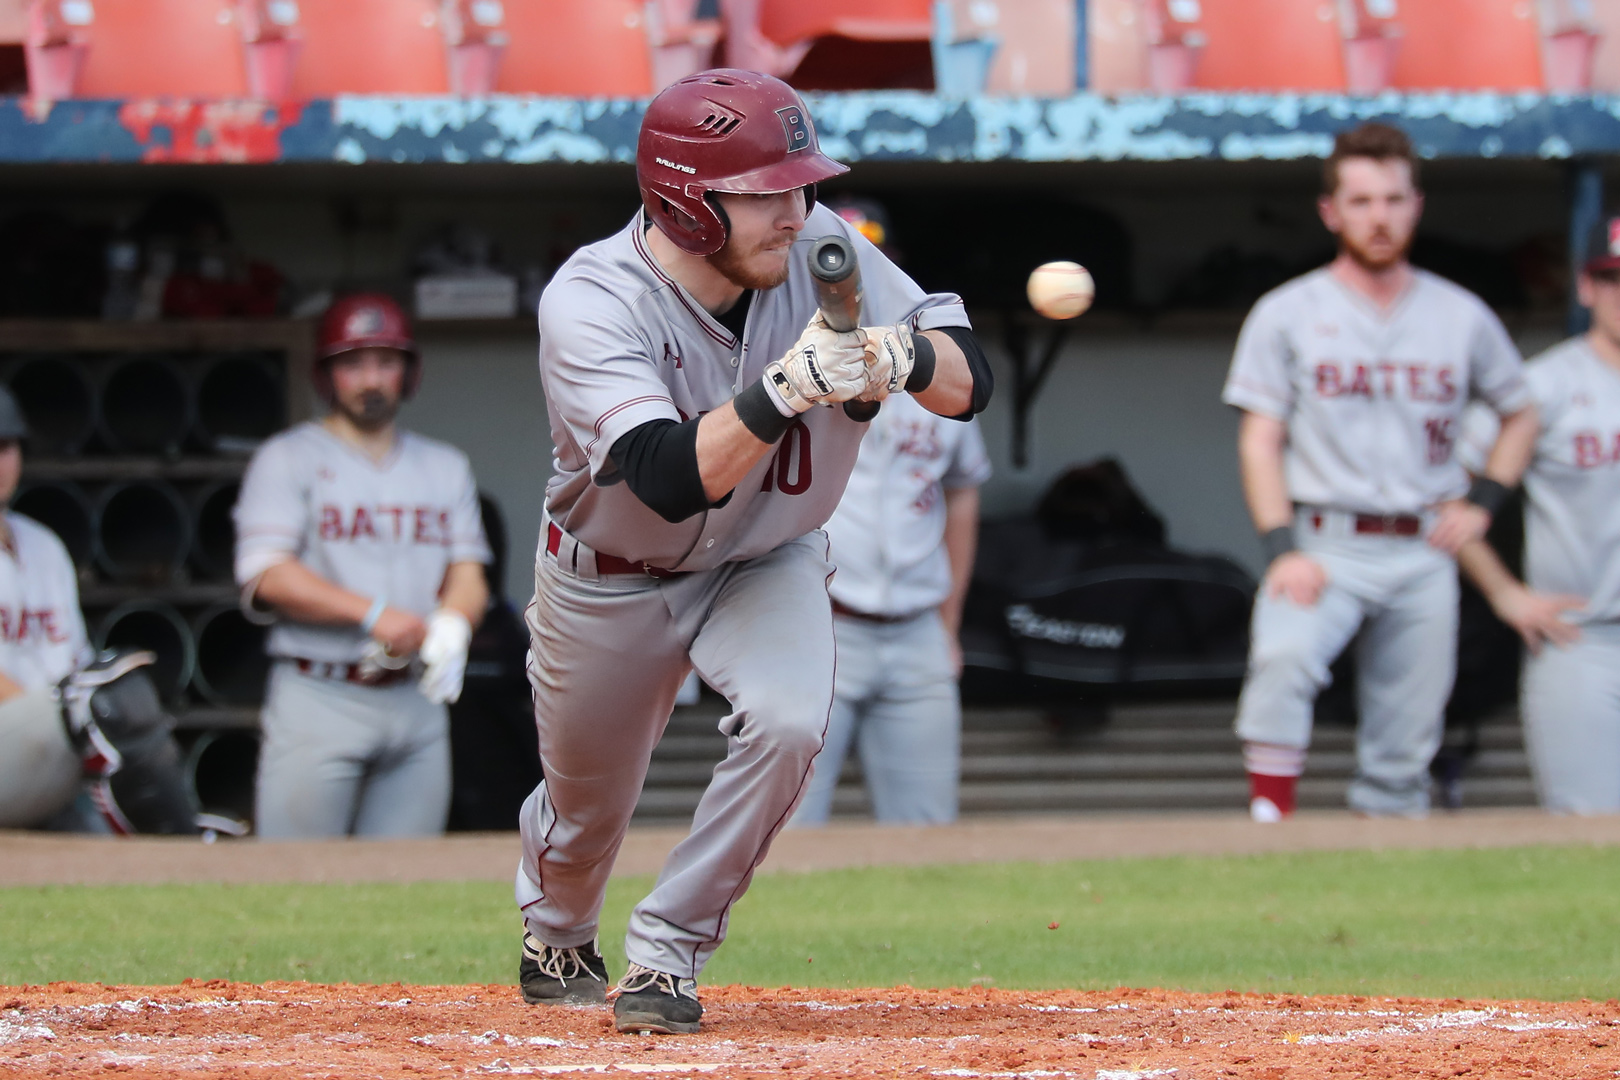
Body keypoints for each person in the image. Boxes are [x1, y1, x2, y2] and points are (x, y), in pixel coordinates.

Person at [516, 69, 992, 1034]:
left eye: (801, 185)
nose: (797, 209)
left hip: (763, 560)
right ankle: (558, 927)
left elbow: (968, 377)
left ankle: (667, 952)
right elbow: (661, 473)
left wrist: (903, 357)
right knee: (584, 812)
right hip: (611, 574)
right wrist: (786, 389)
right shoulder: (592, 297)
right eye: (766, 192)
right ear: (687, 204)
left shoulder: (822, 250)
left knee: (786, 724)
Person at [1220, 121, 1537, 821]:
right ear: (1332, 212)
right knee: (1283, 660)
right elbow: (1259, 441)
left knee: (1407, 736)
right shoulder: (1288, 311)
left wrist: (1482, 503)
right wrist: (1282, 549)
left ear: (1415, 205)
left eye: (1393, 199)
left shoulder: (1461, 315)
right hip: (1326, 539)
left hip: (1423, 545)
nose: (1380, 217)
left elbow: (1521, 412)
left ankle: (1387, 866)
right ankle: (1268, 829)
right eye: (1361, 201)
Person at [234, 293, 491, 838]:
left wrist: (453, 623)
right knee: (293, 883)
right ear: (326, 375)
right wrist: (372, 613)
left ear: (407, 371)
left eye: (385, 362)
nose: (370, 379)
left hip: (415, 696)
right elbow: (266, 574)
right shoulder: (286, 458)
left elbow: (468, 571)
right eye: (352, 363)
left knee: (405, 886)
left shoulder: (444, 466)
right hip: (319, 691)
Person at [1455, 214, 1620, 813]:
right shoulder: (1543, 386)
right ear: (1587, 287)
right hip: (1584, 639)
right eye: (1614, 279)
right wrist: (1504, 593)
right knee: (1589, 840)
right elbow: (1445, 488)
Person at [789, 377, 990, 826]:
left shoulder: (944, 380)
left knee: (927, 833)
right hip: (820, 626)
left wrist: (948, 624)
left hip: (917, 631)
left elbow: (963, 490)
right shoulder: (801, 368)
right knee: (786, 827)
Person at [0, 385, 92, 829]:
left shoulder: (43, 545)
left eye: (4, 447)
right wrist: (60, 725)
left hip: (54, 747)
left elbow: (77, 659)